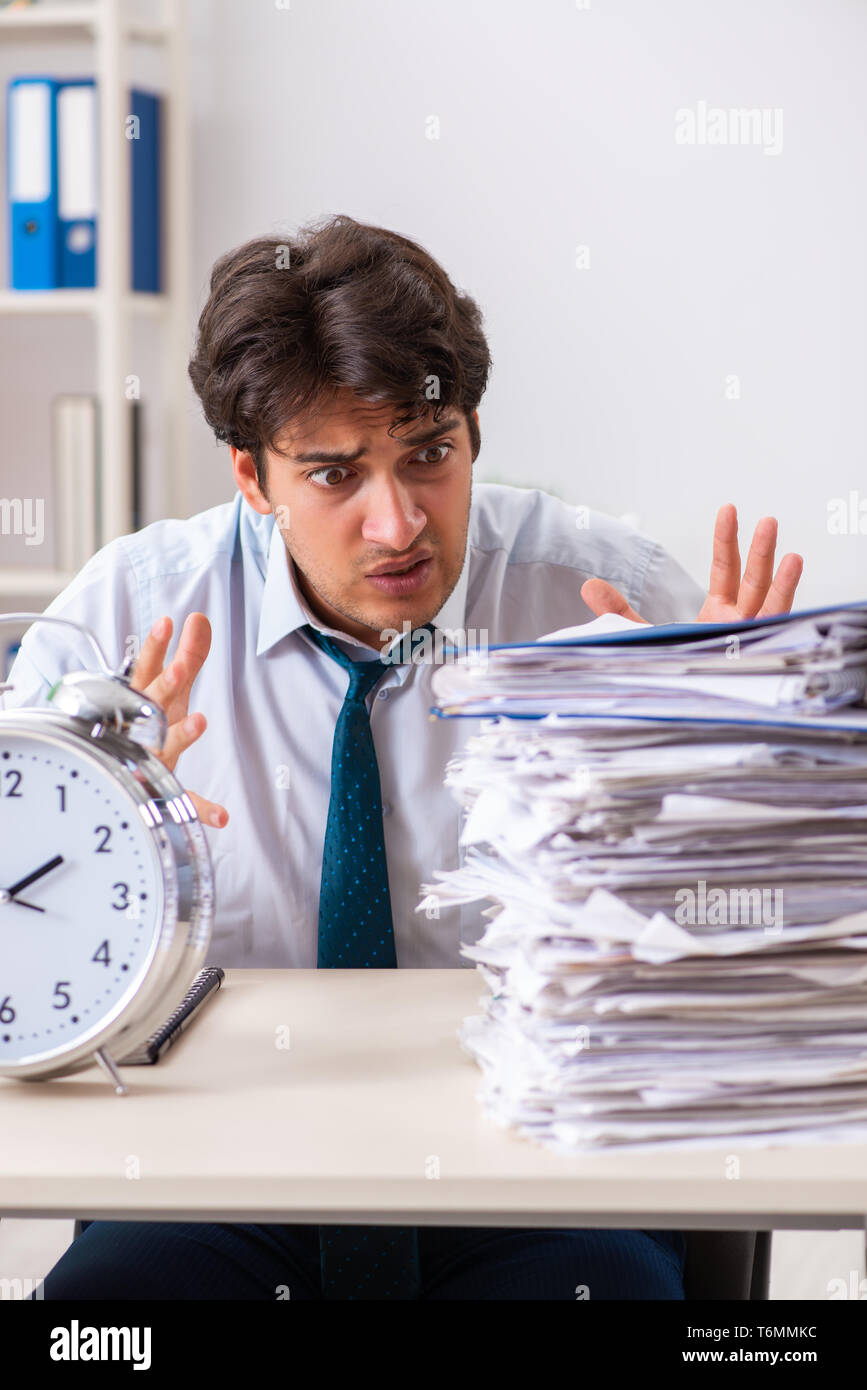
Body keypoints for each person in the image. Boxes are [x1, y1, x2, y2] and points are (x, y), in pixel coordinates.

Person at [10, 214, 802, 1300]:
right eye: (335, 475)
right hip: (219, 1177)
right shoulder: (129, 615)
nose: (398, 524)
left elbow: (757, 949)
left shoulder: (614, 600)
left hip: (540, 1174)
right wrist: (96, 829)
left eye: (429, 455)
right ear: (252, 476)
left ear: (472, 431)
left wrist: (739, 771)